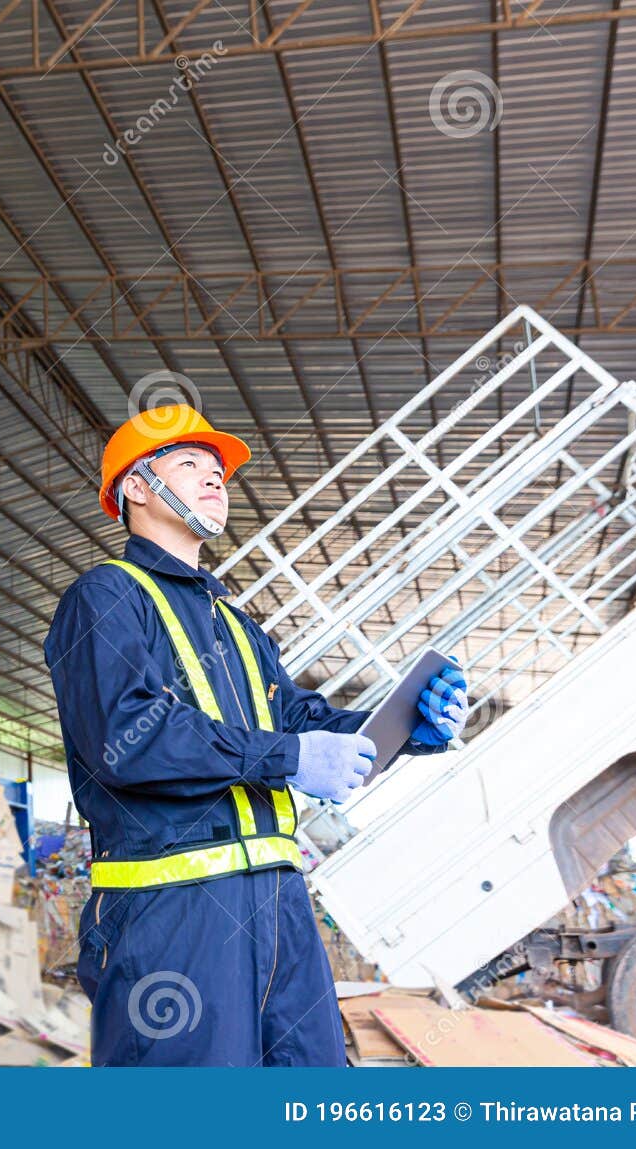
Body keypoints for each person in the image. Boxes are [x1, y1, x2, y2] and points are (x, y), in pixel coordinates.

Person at [42, 404, 468, 1066]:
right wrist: (290, 756)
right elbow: (125, 736)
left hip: (280, 903)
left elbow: (300, 723)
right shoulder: (106, 597)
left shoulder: (240, 628)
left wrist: (412, 723)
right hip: (173, 913)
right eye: (190, 464)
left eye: (219, 470)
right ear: (137, 486)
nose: (215, 478)